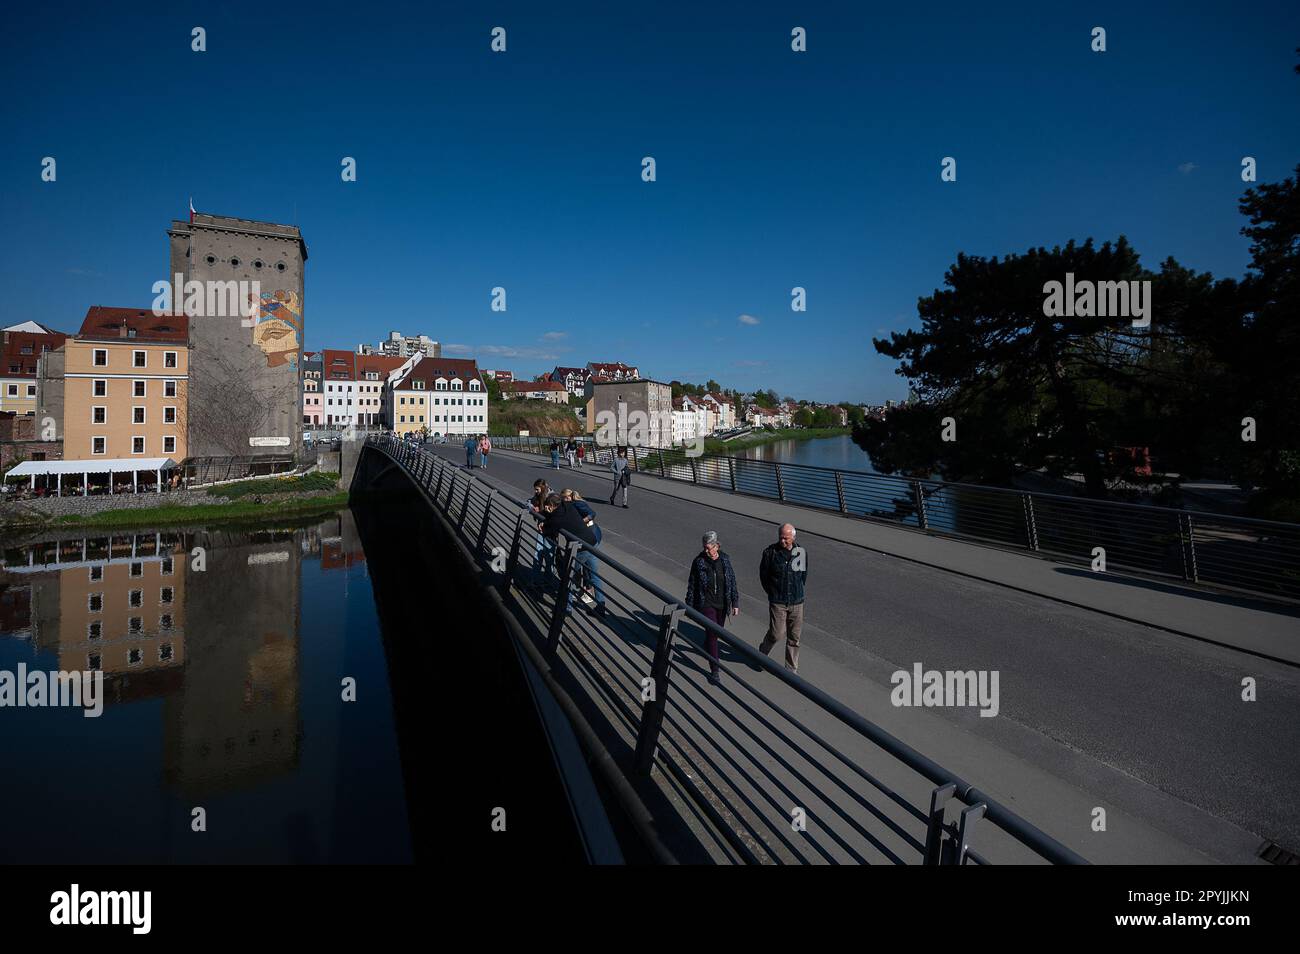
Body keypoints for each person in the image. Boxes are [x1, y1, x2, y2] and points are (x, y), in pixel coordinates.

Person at [685, 531, 740, 686]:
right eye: (704, 548)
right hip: (706, 603)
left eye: (709, 548)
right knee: (713, 633)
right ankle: (715, 670)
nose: (706, 551)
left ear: (717, 546)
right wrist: (688, 606)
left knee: (716, 633)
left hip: (722, 603)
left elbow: (732, 581)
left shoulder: (725, 560)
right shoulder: (699, 562)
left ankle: (708, 644)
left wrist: (735, 603)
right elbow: (692, 584)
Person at [539, 493, 606, 617]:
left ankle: (567, 608)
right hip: (592, 541)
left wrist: (543, 523)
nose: (546, 508)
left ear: (552, 506)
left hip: (580, 548)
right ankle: (601, 607)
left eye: (548, 507)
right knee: (594, 576)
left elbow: (547, 531)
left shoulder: (557, 519)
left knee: (566, 576)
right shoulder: (567, 505)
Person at [758, 523, 807, 674]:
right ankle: (761, 654)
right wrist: (773, 592)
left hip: (797, 602)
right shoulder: (770, 553)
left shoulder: (800, 552)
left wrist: (797, 591)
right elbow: (764, 576)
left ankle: (791, 670)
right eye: (781, 538)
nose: (783, 541)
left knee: (794, 637)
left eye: (786, 538)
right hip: (778, 601)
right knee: (777, 633)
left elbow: (803, 576)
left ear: (793, 537)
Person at [529, 479, 555, 590]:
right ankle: (536, 580)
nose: (535, 492)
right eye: (535, 489)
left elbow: (555, 515)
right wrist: (532, 508)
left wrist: (543, 518)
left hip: (550, 531)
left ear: (543, 488)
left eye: (537, 489)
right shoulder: (538, 496)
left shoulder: (553, 497)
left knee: (548, 556)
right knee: (538, 553)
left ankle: (548, 580)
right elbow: (529, 501)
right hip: (541, 529)